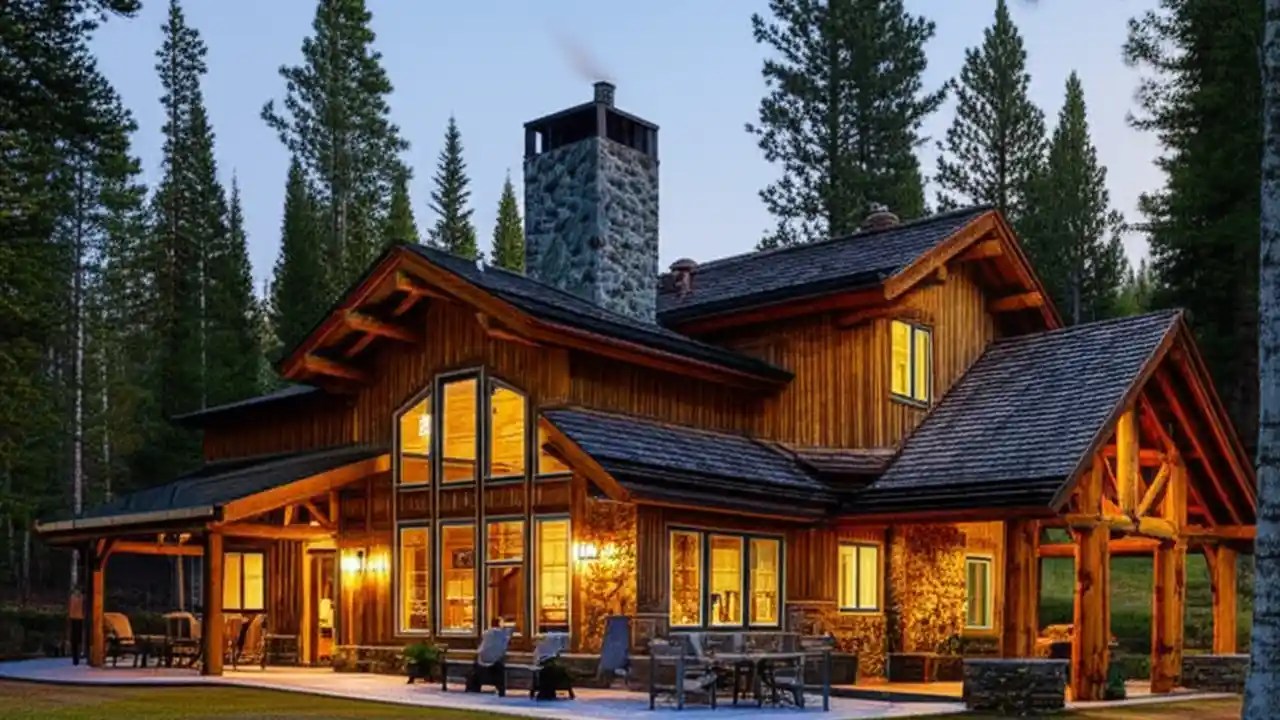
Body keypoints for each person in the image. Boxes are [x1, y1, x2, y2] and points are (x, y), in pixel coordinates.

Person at [68, 585, 84, 665]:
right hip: (74, 618)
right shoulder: (74, 598)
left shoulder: (81, 598)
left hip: (79, 619)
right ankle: (75, 658)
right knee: (74, 640)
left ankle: (77, 657)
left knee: (78, 640)